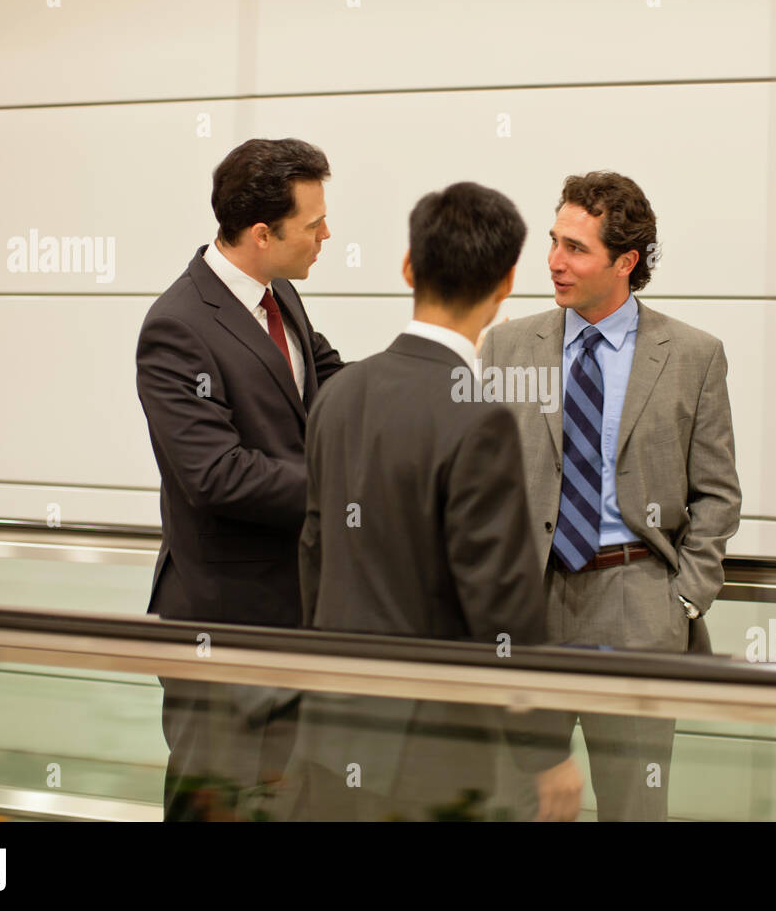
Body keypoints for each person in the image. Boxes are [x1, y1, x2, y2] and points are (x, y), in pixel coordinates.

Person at [292, 181, 582, 821]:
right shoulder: (479, 419)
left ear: (408, 267)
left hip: (329, 730)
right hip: (428, 753)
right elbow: (499, 598)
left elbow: (315, 556)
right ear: (506, 282)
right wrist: (545, 751)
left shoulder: (338, 395)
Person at [478, 171, 742, 821]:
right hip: (526, 607)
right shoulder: (509, 346)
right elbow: (479, 481)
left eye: (575, 248)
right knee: (516, 801)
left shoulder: (692, 356)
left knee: (633, 806)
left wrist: (681, 598)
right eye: (554, 240)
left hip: (636, 608)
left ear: (625, 261)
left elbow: (717, 495)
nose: (553, 262)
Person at [135, 137, 344, 820]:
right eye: (313, 224)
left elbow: (329, 380)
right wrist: (345, 492)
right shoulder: (176, 326)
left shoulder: (280, 292)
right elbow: (215, 475)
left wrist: (418, 385)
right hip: (219, 630)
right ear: (262, 234)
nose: (325, 234)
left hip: (293, 621)